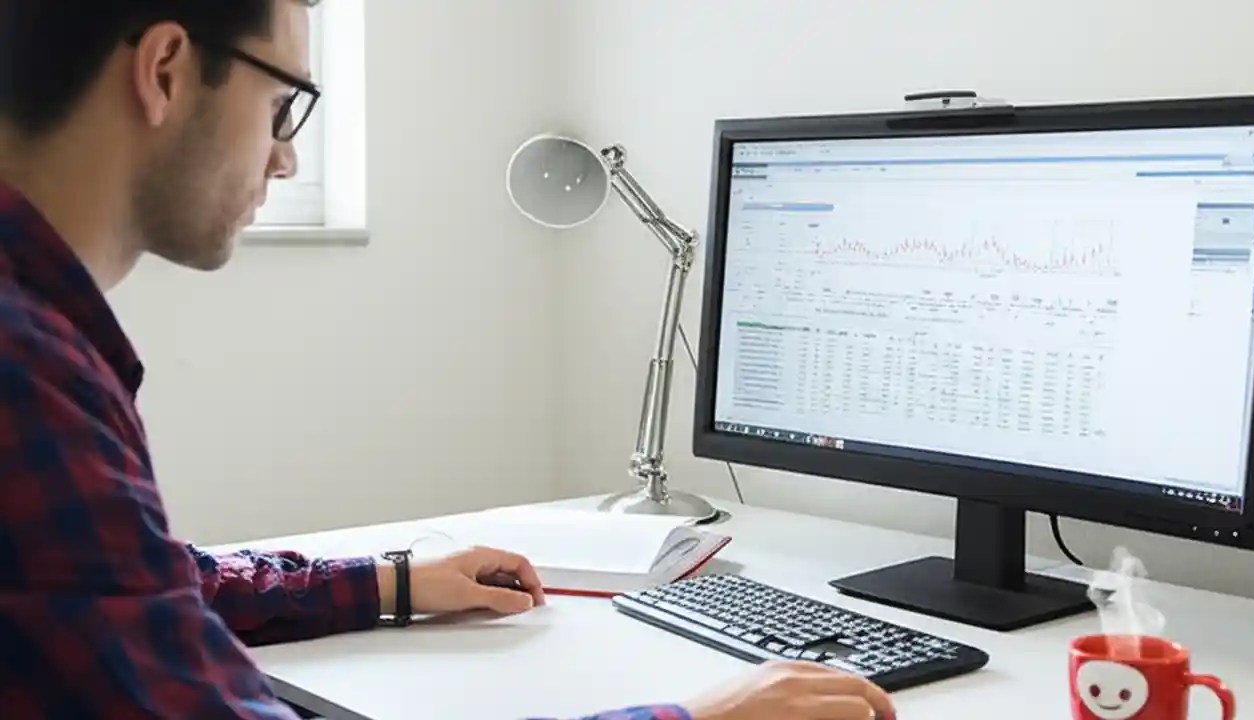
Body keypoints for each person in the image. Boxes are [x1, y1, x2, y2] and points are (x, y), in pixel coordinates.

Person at [0, 1, 897, 718]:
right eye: (282, 105)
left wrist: (390, 582)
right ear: (164, 70)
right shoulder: (29, 376)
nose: (285, 156)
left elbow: (133, 587)